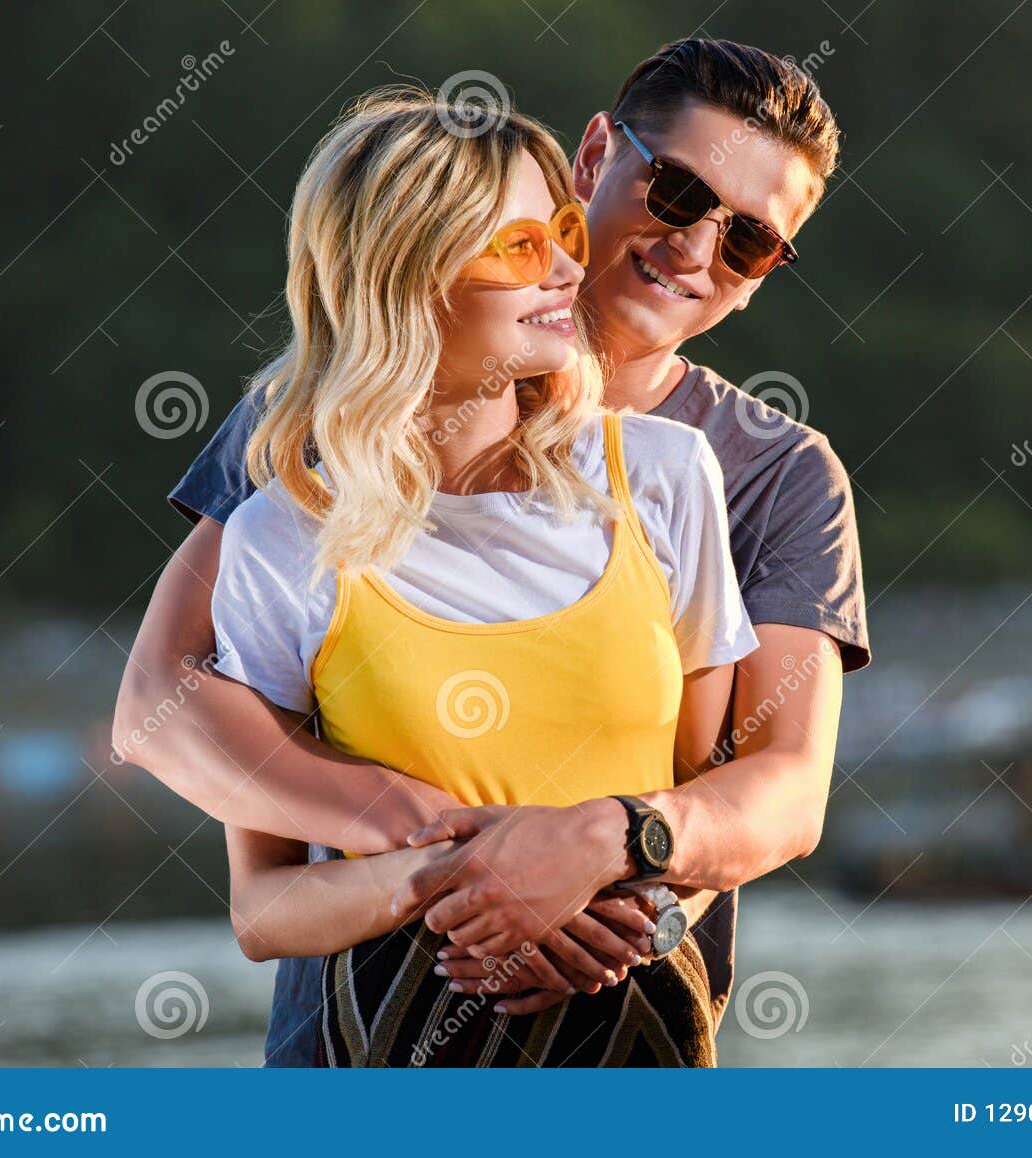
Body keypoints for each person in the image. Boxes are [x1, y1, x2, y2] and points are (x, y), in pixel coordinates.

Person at [113, 38, 871, 1065]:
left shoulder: (758, 471)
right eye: (681, 190)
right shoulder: (311, 423)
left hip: (618, 1030)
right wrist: (440, 846)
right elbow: (163, 698)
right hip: (360, 1044)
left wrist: (610, 877)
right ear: (596, 153)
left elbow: (773, 785)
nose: (697, 247)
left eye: (749, 243)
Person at [208, 88, 755, 1065]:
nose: (563, 269)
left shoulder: (666, 478)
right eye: (515, 247)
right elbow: (263, 909)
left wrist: (628, 908)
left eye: (561, 230)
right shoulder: (281, 538)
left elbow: (710, 803)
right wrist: (479, 885)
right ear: (403, 275)